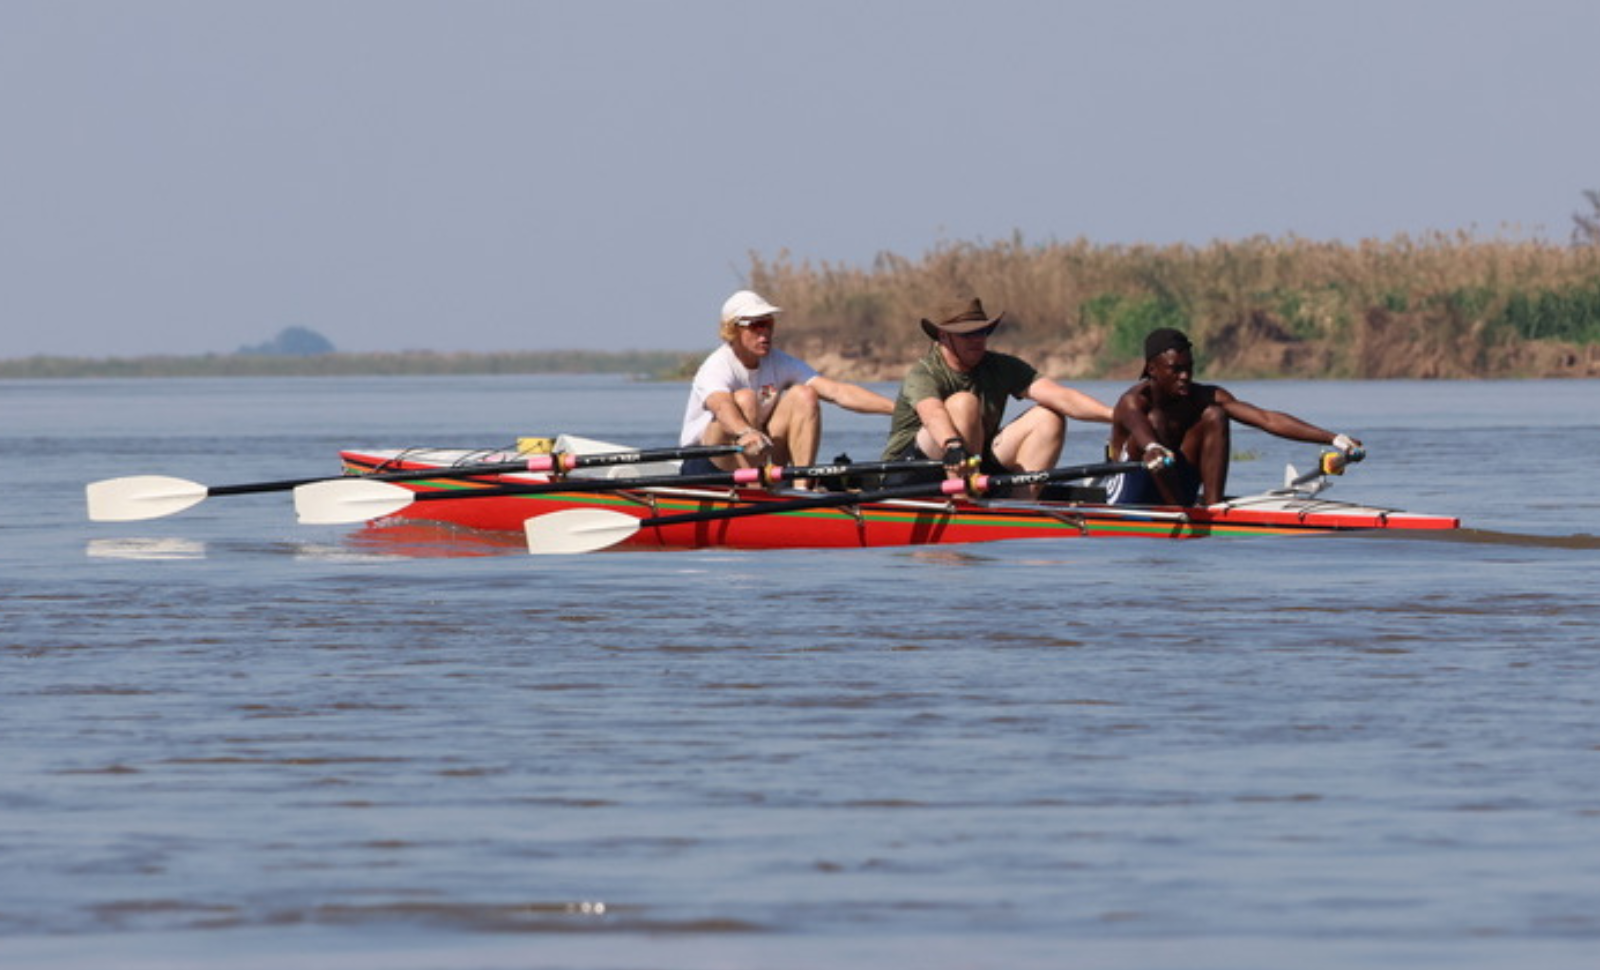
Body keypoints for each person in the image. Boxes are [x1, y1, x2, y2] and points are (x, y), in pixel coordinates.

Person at [880, 297, 1113, 496]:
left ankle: (1019, 509)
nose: (977, 339)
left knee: (1049, 415)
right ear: (943, 336)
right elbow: (932, 413)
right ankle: (964, 502)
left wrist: (1115, 416)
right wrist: (952, 444)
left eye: (982, 331)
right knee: (964, 402)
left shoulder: (1001, 366)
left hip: (973, 462)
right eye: (967, 334)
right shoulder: (924, 373)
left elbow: (1062, 396)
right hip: (908, 472)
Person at [1106, 327, 1363, 506]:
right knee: (1156, 421)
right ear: (1152, 369)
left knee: (1215, 415)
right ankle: (1180, 515)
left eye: (1189, 368)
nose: (1185, 376)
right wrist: (1152, 448)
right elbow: (1142, 431)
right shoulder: (1133, 401)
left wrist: (1334, 439)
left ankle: (1213, 508)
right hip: (1129, 493)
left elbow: (1266, 419)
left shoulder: (1203, 395)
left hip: (1173, 486)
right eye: (1176, 370)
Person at [679, 289, 895, 481]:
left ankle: (801, 490)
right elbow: (721, 406)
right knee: (745, 398)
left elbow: (838, 392)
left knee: (805, 395)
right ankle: (757, 490)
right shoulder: (716, 366)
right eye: (756, 325)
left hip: (759, 460)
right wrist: (744, 432)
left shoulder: (779, 361)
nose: (765, 333)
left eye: (768, 324)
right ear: (732, 330)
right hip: (707, 465)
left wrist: (900, 410)